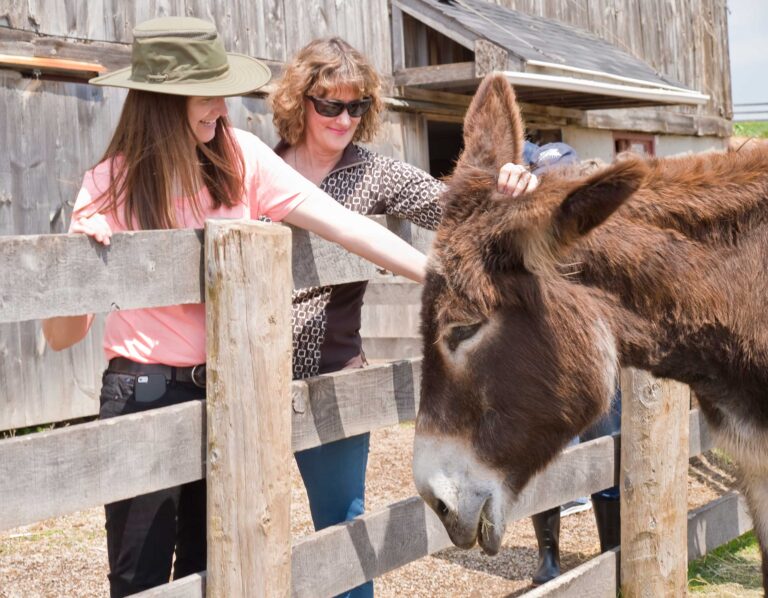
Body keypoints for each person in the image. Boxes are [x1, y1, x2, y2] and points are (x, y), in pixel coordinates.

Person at [40, 17, 446, 597]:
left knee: (221, 569)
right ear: (164, 99)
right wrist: (78, 265)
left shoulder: (241, 159)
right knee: (140, 577)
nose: (221, 106)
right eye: (207, 93)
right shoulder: (109, 184)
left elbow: (348, 228)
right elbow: (61, 336)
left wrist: (437, 276)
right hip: (143, 393)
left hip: (227, 395)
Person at [269, 38, 538, 598]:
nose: (343, 118)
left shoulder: (375, 175)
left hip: (329, 379)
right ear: (300, 101)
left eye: (356, 106)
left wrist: (513, 185)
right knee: (241, 532)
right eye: (329, 105)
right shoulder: (256, 167)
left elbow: (456, 209)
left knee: (342, 534)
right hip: (250, 372)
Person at [522, 141, 621, 586]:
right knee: (543, 455)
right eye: (549, 180)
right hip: (544, 365)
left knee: (609, 446)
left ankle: (612, 549)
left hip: (598, 359)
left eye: (565, 177)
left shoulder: (598, 232)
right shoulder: (525, 239)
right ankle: (548, 556)